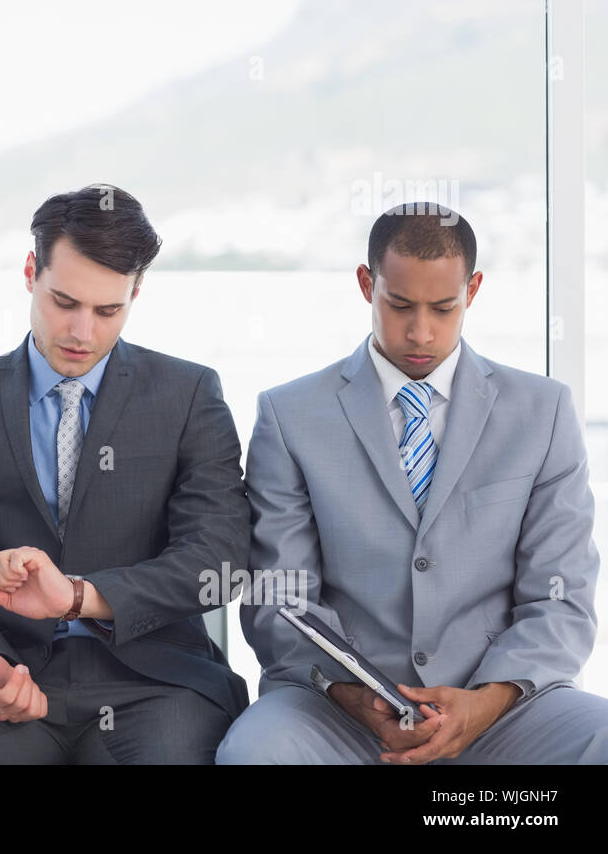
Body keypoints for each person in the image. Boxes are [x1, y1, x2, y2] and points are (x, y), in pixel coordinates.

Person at [0, 184, 250, 765]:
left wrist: (79, 598)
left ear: (136, 292)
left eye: (108, 310)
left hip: (155, 679)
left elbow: (217, 559)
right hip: (5, 668)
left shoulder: (189, 395)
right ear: (30, 272)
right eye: (64, 302)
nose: (82, 332)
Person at [217, 203, 608, 764]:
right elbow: (281, 599)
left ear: (472, 291)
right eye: (398, 305)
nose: (420, 331)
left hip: (504, 712)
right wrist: (359, 699)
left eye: (443, 308)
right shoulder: (289, 415)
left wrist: (484, 705)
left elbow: (562, 596)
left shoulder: (543, 412)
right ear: (365, 284)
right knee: (255, 753)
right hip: (338, 713)